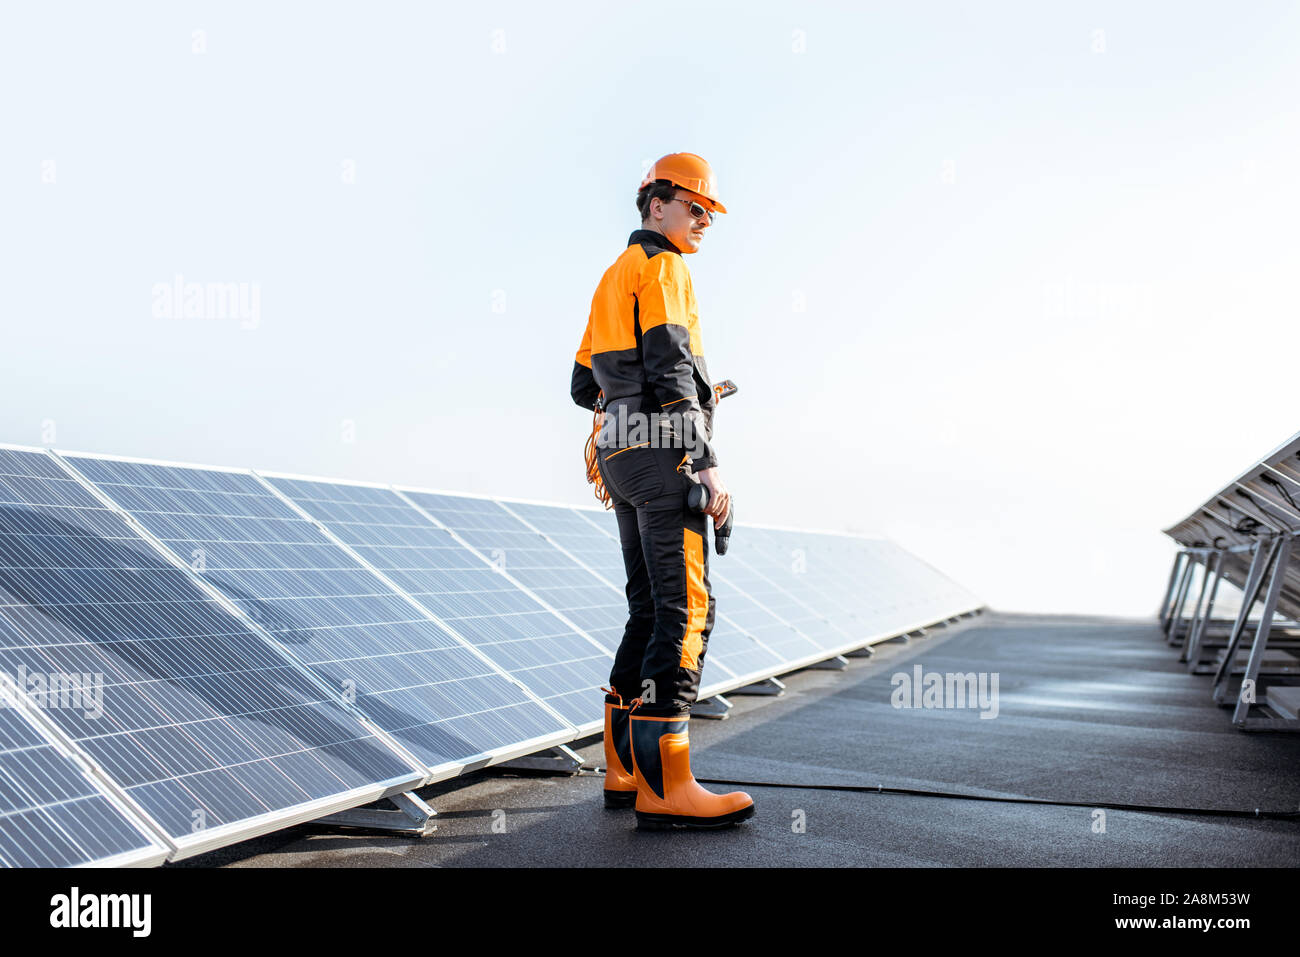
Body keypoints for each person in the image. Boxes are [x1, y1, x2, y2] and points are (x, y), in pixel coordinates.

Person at [570, 152, 754, 829]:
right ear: (658, 204)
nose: (704, 220)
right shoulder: (666, 267)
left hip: (622, 458)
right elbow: (673, 365)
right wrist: (705, 459)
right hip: (663, 458)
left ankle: (624, 771)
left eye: (709, 213)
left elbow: (583, 385)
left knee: (647, 608)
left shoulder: (614, 276)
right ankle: (666, 785)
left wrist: (625, 412)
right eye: (695, 207)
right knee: (686, 610)